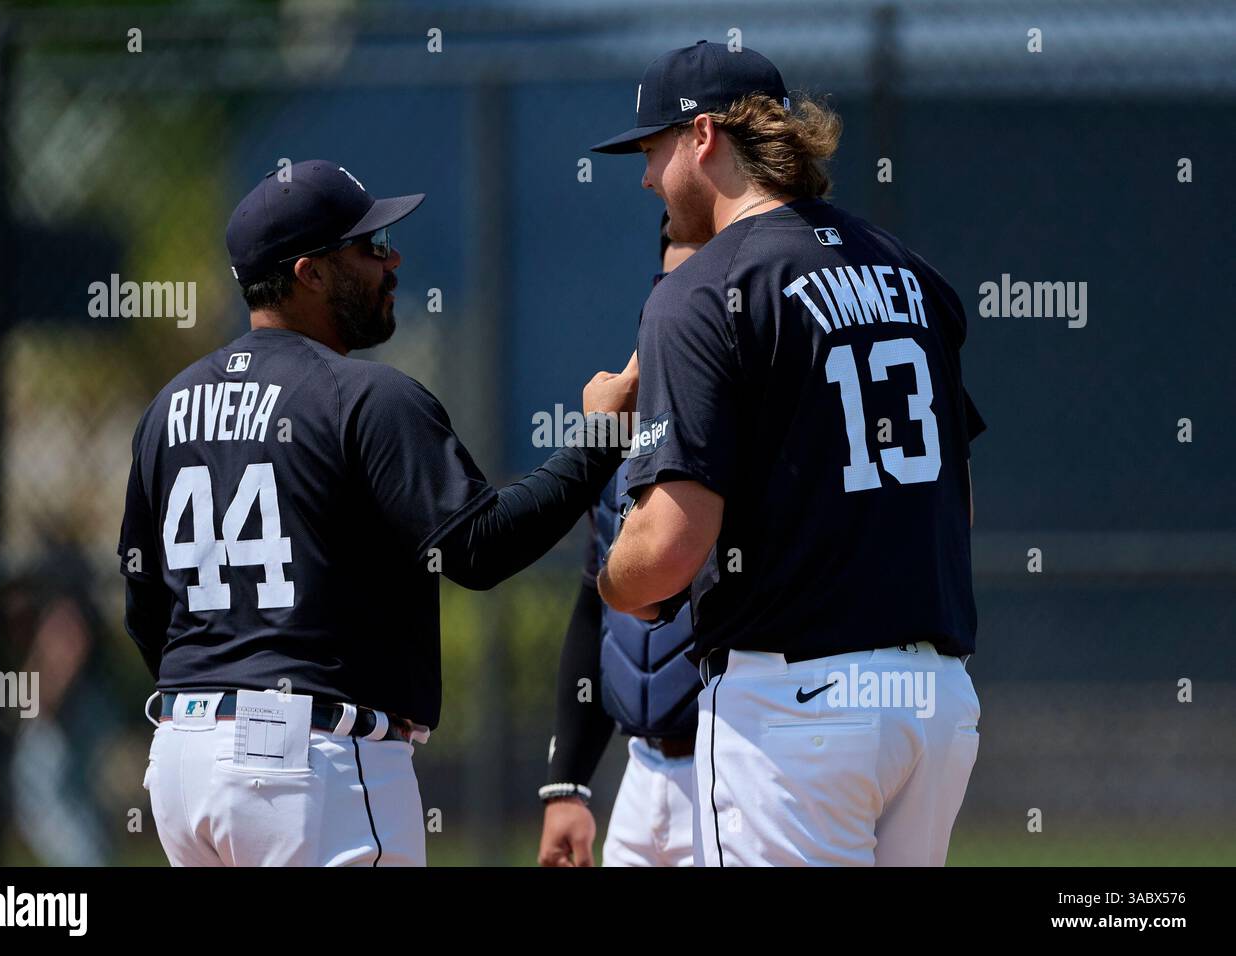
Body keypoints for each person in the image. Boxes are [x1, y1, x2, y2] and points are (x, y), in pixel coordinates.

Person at [118, 159, 636, 867]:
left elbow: (148, 609)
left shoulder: (167, 409)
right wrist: (600, 441)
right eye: (369, 247)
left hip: (182, 762)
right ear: (311, 274)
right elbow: (480, 548)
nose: (392, 260)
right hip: (307, 764)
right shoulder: (364, 397)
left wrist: (221, 705)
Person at [591, 42, 986, 866]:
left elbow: (665, 553)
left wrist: (613, 570)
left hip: (796, 713)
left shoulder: (697, 293)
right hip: (934, 701)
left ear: (703, 137)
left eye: (652, 149)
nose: (644, 177)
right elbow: (958, 495)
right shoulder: (909, 271)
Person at [538, 214, 704, 867]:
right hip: (641, 779)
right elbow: (595, 608)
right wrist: (567, 783)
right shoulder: (626, 418)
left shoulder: (768, 424)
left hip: (739, 764)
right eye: (669, 283)